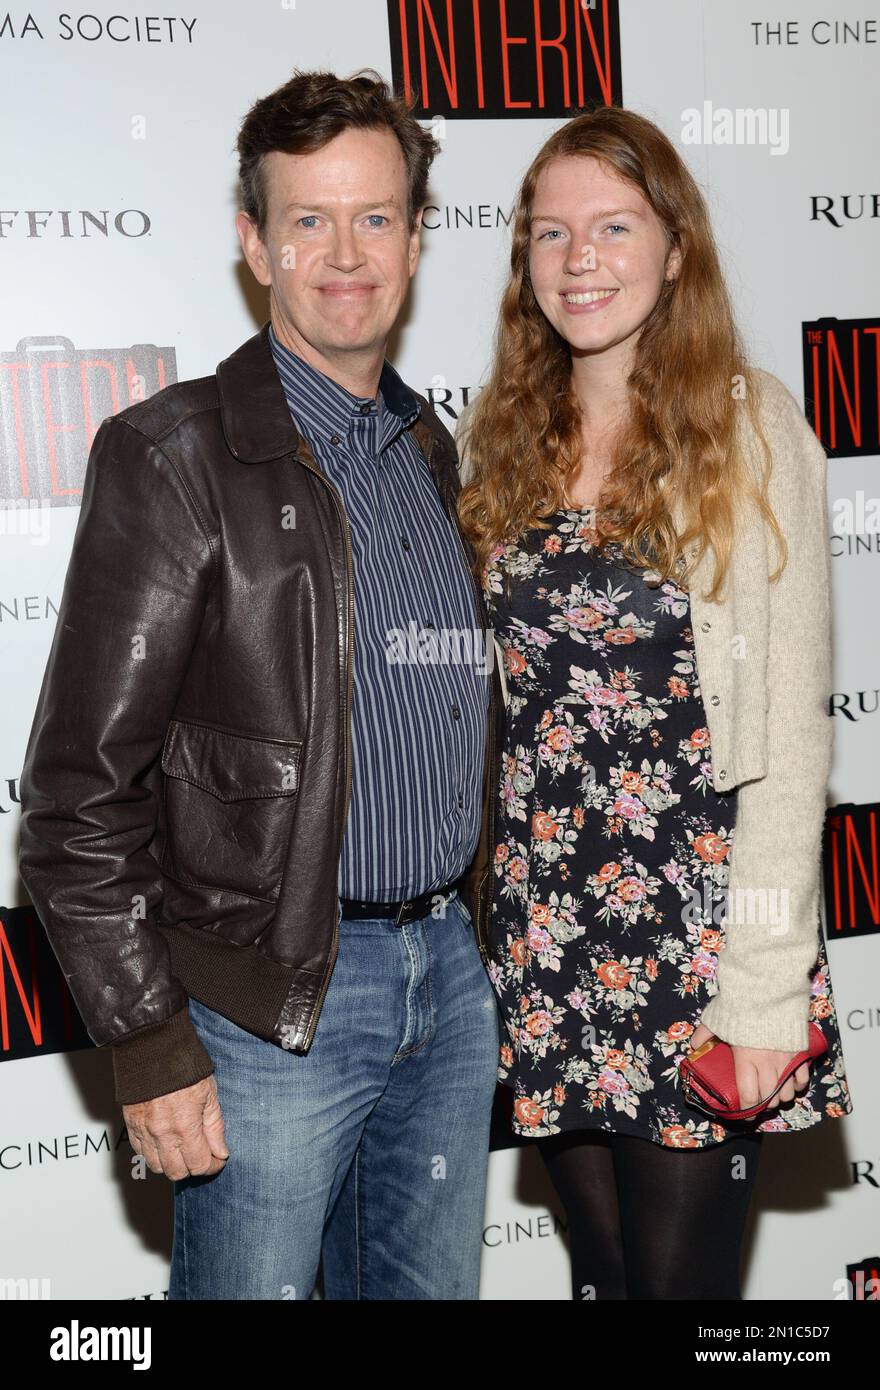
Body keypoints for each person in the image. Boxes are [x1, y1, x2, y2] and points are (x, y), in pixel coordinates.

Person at [18, 69, 505, 1301]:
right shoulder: (173, 456)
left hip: (448, 981)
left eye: (377, 217)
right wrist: (143, 1040)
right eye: (308, 221)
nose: (346, 254)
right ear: (254, 243)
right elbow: (77, 800)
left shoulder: (429, 451)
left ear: (414, 235)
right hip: (270, 1002)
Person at [456, 105, 853, 1301]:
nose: (579, 259)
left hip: (695, 940)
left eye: (614, 227)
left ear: (676, 247)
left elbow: (787, 737)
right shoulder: (507, 436)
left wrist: (766, 984)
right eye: (549, 234)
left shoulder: (748, 424)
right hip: (546, 928)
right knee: (605, 1280)